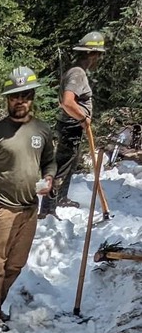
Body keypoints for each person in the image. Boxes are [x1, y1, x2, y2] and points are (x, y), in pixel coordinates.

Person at [0, 65, 56, 328]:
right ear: (8, 99)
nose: (21, 101)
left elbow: (50, 162)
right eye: (15, 96)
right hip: (2, 209)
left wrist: (50, 178)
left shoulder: (42, 131)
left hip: (30, 209)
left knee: (16, 264)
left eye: (26, 95)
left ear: (32, 97)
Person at [41, 30, 105, 219]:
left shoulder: (77, 71)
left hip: (72, 126)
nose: (99, 59)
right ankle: (47, 210)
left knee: (71, 163)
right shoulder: (77, 74)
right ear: (92, 54)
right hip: (71, 127)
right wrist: (83, 118)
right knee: (60, 168)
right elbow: (67, 102)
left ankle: (61, 198)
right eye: (98, 55)